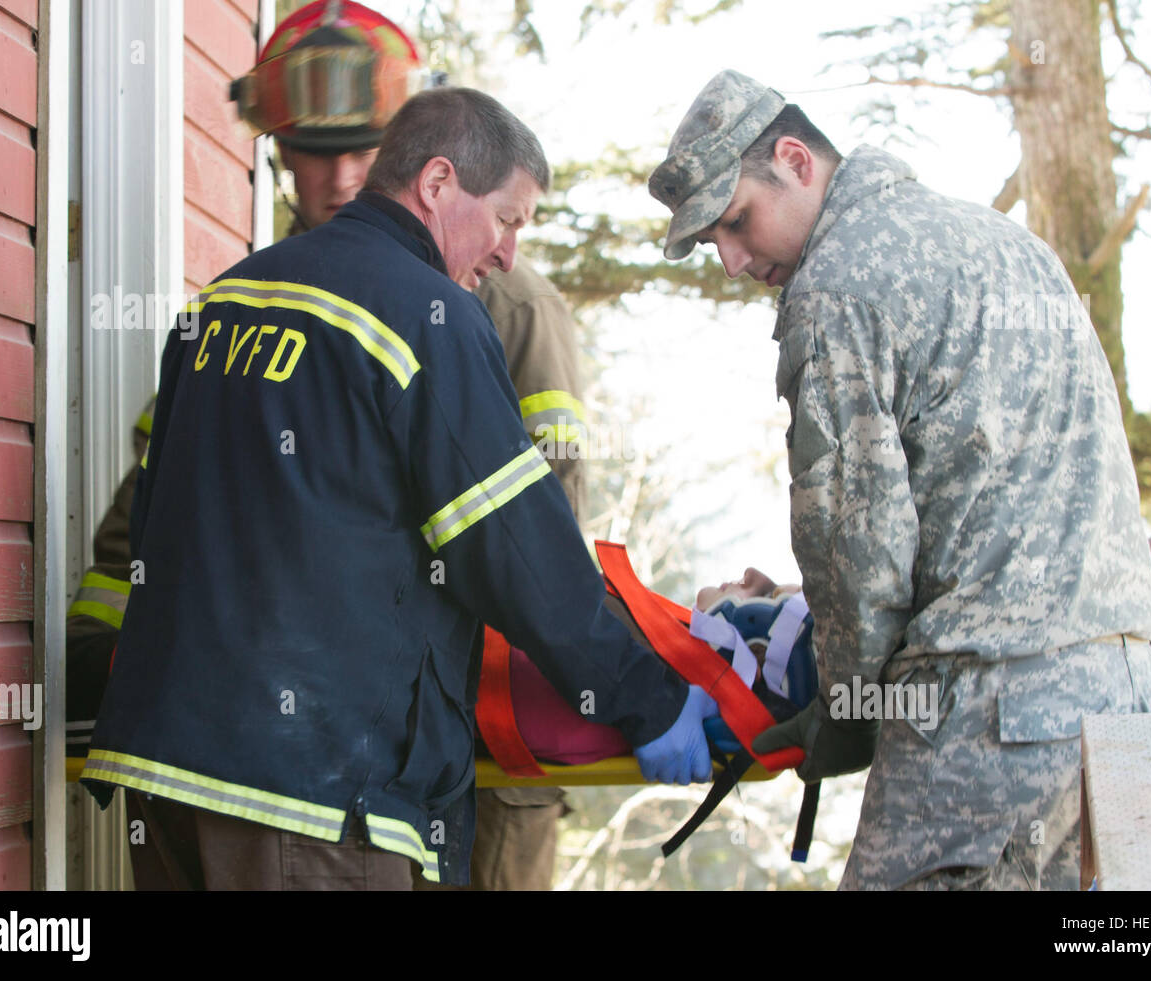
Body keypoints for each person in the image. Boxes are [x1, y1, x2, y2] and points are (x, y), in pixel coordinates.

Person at [80, 86, 715, 891]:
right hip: (308, 795)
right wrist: (649, 700)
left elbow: (157, 523)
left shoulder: (227, 300)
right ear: (438, 183)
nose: (509, 254)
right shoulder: (428, 316)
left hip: (162, 774)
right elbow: (518, 549)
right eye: (508, 219)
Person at [649, 70, 1151, 890]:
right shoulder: (1007, 244)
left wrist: (840, 717)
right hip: (1131, 704)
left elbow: (861, 548)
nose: (732, 261)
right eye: (714, 240)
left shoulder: (837, 288)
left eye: (736, 221)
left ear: (796, 157)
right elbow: (1001, 500)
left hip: (991, 721)